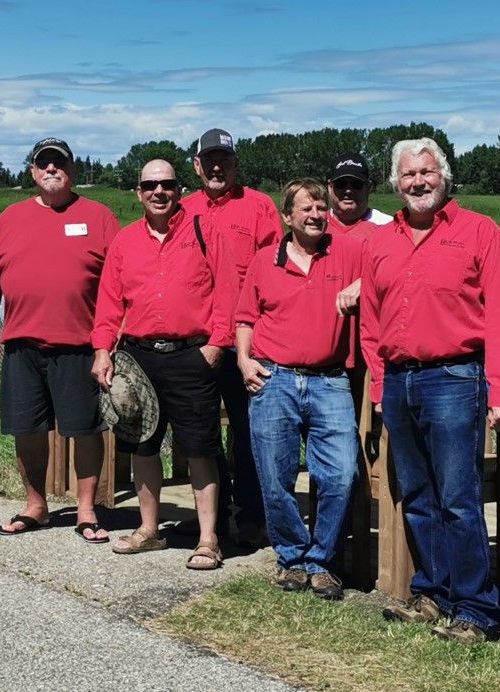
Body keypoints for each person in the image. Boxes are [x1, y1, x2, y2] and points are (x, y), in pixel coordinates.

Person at [360, 138, 500, 644]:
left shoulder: (479, 232)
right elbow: (370, 322)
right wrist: (381, 386)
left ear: (444, 177)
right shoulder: (381, 241)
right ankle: (434, 593)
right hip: (401, 380)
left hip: (455, 378)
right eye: (407, 176)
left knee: (458, 498)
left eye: (426, 172)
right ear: (396, 183)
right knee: (420, 498)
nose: (417, 182)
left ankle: (476, 609)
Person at [92, 159, 238, 571]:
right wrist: (103, 350)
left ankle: (208, 538)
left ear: (179, 189)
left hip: (191, 355)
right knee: (143, 445)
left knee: (200, 448)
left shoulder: (204, 231)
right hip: (139, 358)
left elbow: (228, 291)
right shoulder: (124, 241)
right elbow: (108, 302)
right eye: (150, 185)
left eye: (168, 185)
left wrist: (216, 346)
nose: (159, 192)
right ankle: (149, 529)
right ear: (138, 192)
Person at [0, 137, 121, 543]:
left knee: (85, 429)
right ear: (33, 171)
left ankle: (87, 510)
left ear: (72, 169)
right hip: (22, 345)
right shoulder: (11, 217)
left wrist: (108, 343)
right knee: (28, 428)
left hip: (80, 345)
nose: (52, 169)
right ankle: (36, 506)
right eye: (44, 163)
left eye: (59, 163)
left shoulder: (99, 216)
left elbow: (119, 282)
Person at [236, 179, 363, 601]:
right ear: (287, 217)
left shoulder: (346, 253)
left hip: (330, 380)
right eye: (305, 208)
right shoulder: (262, 261)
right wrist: (243, 358)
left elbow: (387, 268)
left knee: (341, 475)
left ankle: (321, 562)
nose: (315, 214)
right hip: (274, 378)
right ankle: (291, 557)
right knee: (275, 476)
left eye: (320, 207)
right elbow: (245, 318)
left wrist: (361, 285)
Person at [181, 128, 282, 545]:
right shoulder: (182, 209)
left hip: (248, 343)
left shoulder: (260, 207)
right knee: (202, 432)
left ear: (237, 163)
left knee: (249, 432)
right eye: (209, 159)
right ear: (197, 164)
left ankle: (254, 516)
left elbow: (276, 271)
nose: (217, 166)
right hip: (198, 341)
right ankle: (215, 519)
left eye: (224, 158)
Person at [326, 152, 393, 238]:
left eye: (356, 184)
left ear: (368, 188)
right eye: (341, 183)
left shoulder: (389, 226)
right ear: (330, 187)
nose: (348, 190)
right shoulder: (313, 225)